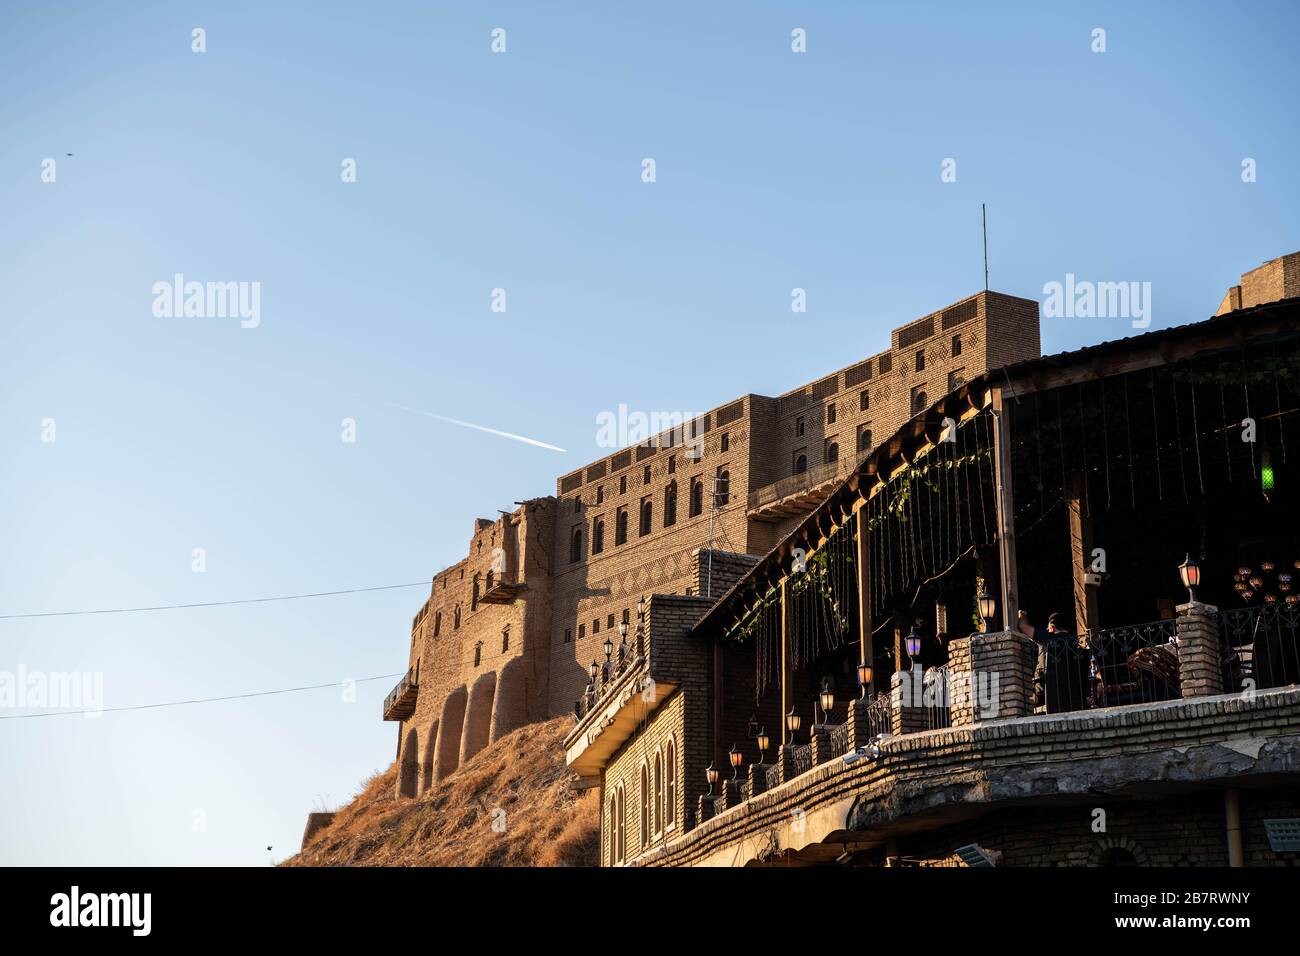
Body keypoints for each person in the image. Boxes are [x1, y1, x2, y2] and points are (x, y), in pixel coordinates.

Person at [1017, 610, 1093, 713]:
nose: (1047, 630)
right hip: (1077, 703)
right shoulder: (1077, 647)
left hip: (1053, 702)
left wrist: (1022, 615)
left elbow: (1023, 626)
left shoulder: (1051, 640)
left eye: (1048, 628)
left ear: (1052, 627)